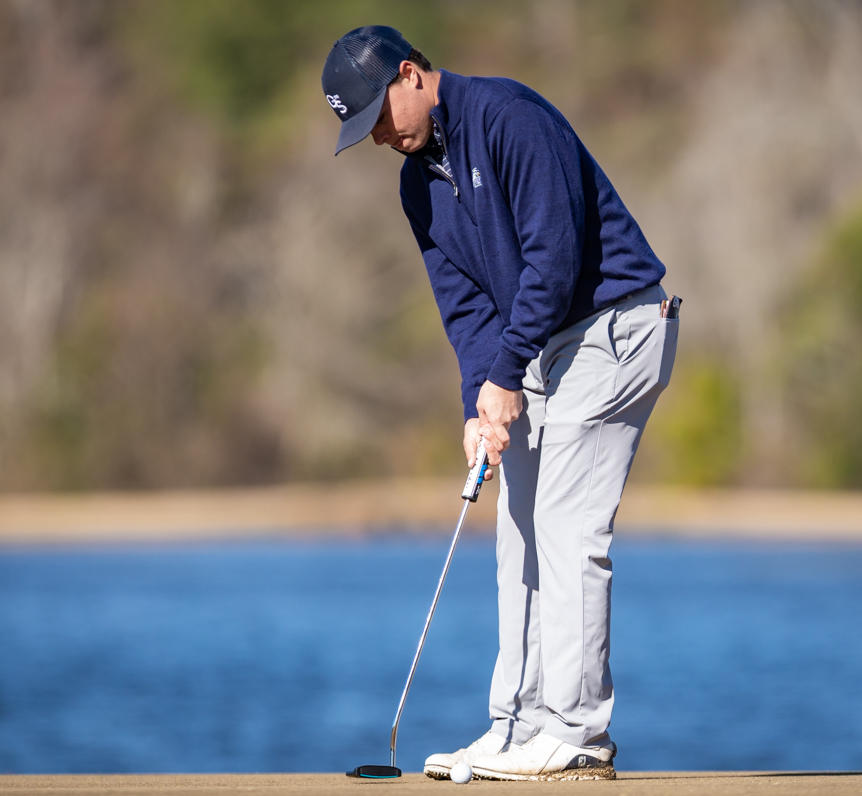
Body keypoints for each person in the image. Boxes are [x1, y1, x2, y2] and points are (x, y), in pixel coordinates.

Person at [322, 25, 678, 782]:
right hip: (545, 347)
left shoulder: (509, 118)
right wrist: (477, 408)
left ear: (410, 74)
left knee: (565, 526)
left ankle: (576, 732)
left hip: (615, 327)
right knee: (518, 534)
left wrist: (507, 372)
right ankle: (516, 725)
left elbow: (554, 258)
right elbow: (467, 310)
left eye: (378, 115)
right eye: (364, 131)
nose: (378, 136)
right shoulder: (416, 185)